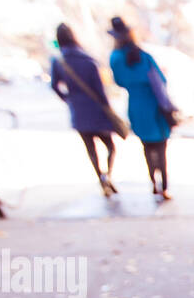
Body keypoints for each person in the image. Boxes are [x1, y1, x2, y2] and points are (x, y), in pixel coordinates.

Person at [107, 17, 174, 201]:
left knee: (147, 148)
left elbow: (119, 82)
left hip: (136, 106)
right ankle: (164, 186)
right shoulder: (144, 57)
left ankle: (153, 182)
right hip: (154, 105)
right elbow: (161, 81)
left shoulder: (115, 58)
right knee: (161, 148)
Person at [49, 24, 118, 197]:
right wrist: (107, 107)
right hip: (96, 109)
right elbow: (100, 89)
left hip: (78, 110)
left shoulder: (59, 61)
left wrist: (68, 99)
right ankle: (107, 175)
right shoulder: (86, 59)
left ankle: (101, 179)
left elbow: (54, 86)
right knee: (110, 146)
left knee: (91, 149)